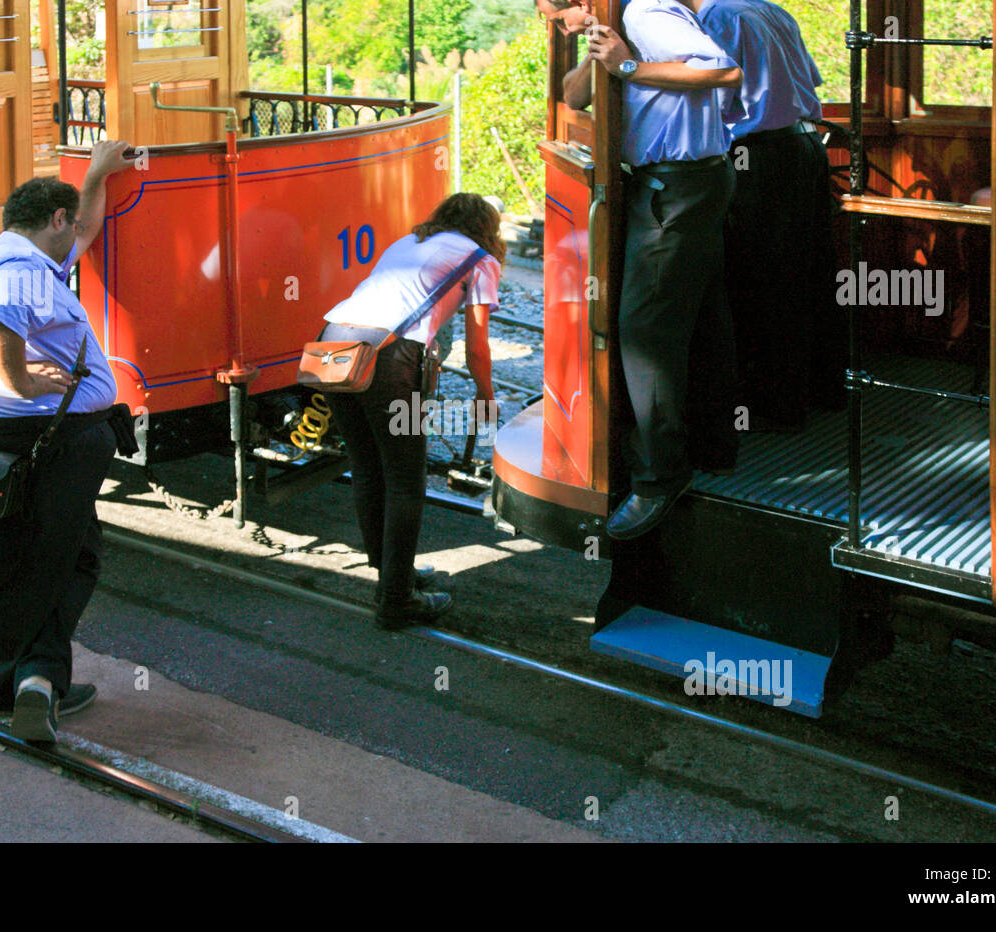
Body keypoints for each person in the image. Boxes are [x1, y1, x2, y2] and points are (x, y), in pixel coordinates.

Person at [537, 0, 745, 539]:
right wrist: (600, 57)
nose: (555, 27)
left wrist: (629, 67)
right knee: (701, 314)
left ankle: (658, 478)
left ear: (579, 2)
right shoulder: (613, 28)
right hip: (686, 183)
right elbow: (573, 96)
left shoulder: (646, 15)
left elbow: (723, 70)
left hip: (677, 186)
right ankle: (715, 445)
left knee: (643, 333)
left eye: (556, 17)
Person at [0, 140, 136, 743]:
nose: (76, 236)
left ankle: (21, 682)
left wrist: (98, 176)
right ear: (54, 221)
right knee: (48, 559)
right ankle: (27, 682)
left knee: (32, 554)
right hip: (44, 438)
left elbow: (85, 229)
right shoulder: (21, 274)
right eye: (69, 224)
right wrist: (25, 379)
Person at [318, 193, 503, 628]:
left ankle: (391, 577)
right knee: (405, 480)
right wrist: (485, 394)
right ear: (486, 229)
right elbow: (478, 346)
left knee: (368, 470)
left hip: (333, 346)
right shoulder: (480, 259)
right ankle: (397, 600)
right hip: (388, 361)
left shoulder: (408, 242)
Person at [697, 0, 841, 429]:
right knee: (811, 270)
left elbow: (714, 94)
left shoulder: (717, 18)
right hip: (805, 146)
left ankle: (773, 408)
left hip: (758, 153)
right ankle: (824, 389)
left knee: (761, 278)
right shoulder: (770, 10)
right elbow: (809, 79)